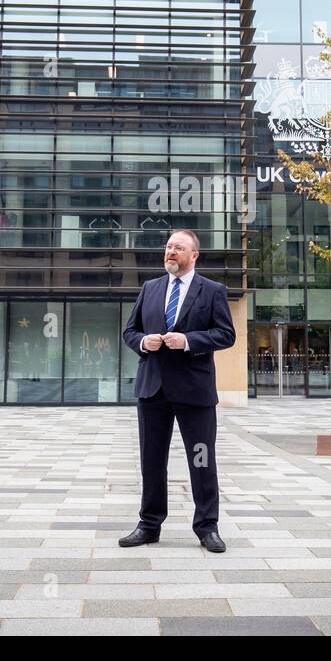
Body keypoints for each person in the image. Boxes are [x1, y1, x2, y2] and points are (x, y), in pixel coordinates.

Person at [119, 229, 236, 553]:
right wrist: (143, 341)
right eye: (169, 247)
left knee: (201, 459)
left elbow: (226, 335)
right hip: (153, 389)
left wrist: (188, 341)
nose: (171, 252)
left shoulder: (212, 290)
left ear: (194, 255)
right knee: (151, 461)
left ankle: (206, 527)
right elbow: (130, 330)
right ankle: (149, 524)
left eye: (179, 248)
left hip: (194, 391)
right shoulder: (151, 288)